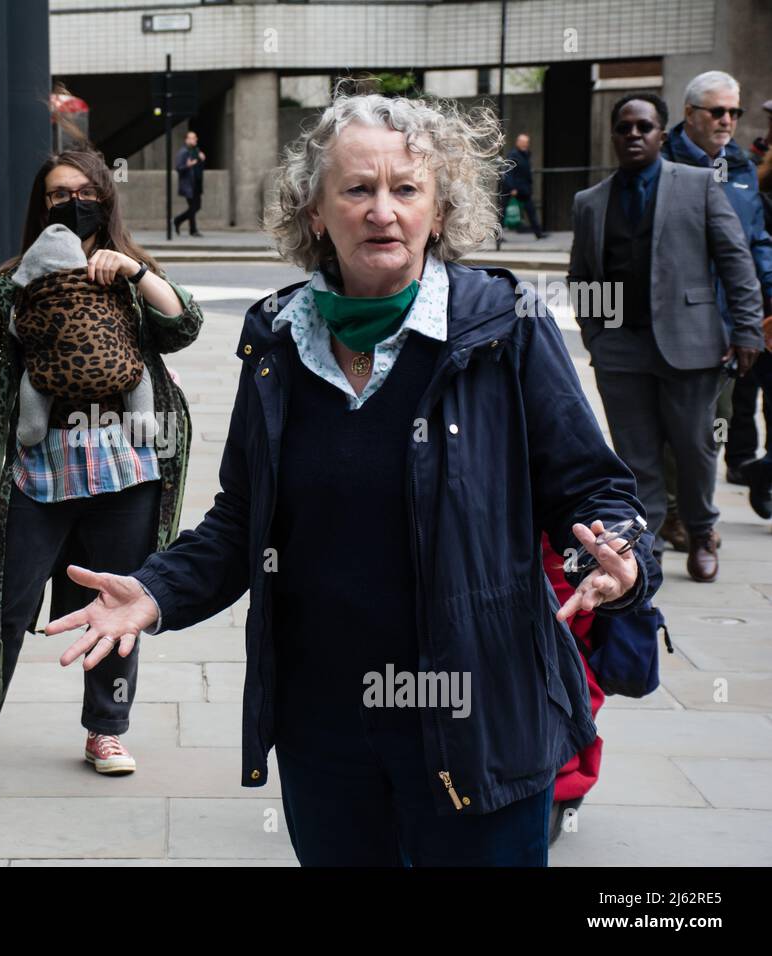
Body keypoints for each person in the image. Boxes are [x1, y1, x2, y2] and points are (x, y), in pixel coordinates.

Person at [43, 92, 660, 867]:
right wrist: (157, 590)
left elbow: (595, 490)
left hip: (478, 720)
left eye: (407, 189)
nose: (382, 211)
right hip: (326, 729)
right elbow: (245, 521)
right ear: (314, 212)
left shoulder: (505, 325)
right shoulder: (276, 335)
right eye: (357, 189)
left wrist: (623, 557)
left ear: (439, 212)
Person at [0, 146, 203, 780]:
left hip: (126, 473)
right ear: (40, 208)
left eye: (82, 192)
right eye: (57, 195)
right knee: (2, 605)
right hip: (31, 474)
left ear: (105, 199)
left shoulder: (129, 273)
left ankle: (106, 732)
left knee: (118, 604)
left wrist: (137, 274)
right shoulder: (11, 284)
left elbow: (185, 326)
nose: (71, 204)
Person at [569, 92, 763, 583]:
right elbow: (585, 277)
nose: (634, 135)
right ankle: (644, 545)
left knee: (694, 449)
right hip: (621, 350)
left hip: (692, 345)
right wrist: (596, 337)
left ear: (661, 132)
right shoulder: (590, 202)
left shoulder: (697, 185)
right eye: (625, 128)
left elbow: (734, 260)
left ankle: (700, 530)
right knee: (635, 455)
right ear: (614, 135)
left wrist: (745, 329)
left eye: (645, 127)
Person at [658, 72, 772, 532]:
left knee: (714, 423)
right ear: (690, 114)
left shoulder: (741, 168)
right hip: (673, 323)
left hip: (725, 326)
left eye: (734, 112)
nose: (727, 121)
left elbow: (756, 242)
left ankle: (689, 509)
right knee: (673, 429)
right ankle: (671, 513)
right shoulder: (659, 161)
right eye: (717, 112)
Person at [502, 132, 545, 239]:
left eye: (526, 142)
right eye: (523, 142)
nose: (525, 144)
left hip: (524, 189)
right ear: (518, 143)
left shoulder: (525, 154)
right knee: (503, 212)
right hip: (515, 188)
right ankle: (498, 238)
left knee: (531, 211)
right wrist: (512, 187)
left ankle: (538, 233)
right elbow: (508, 172)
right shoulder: (513, 155)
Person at [173, 130, 205, 237]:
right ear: (186, 140)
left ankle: (180, 222)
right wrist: (188, 165)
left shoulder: (196, 151)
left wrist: (202, 159)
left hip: (196, 183)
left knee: (196, 207)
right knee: (193, 207)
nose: (195, 139)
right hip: (189, 185)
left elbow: (198, 167)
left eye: (195, 137)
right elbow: (179, 168)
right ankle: (190, 228)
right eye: (192, 138)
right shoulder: (183, 152)